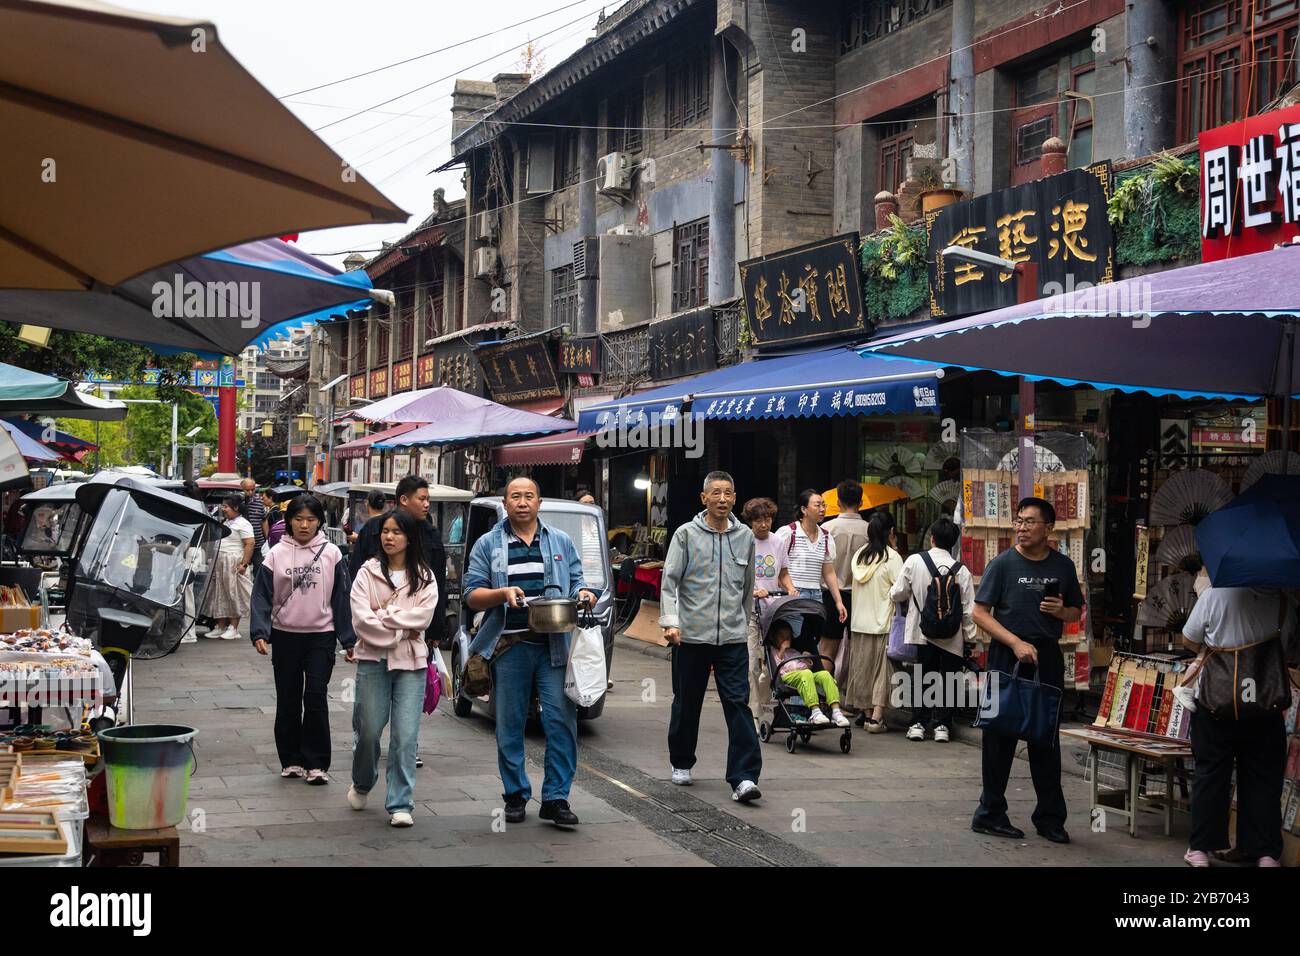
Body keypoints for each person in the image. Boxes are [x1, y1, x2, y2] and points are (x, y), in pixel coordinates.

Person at [464, 477, 596, 826]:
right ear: (505, 503)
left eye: (529, 496)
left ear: (539, 502)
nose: (522, 502)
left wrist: (584, 594)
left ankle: (556, 798)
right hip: (510, 646)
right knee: (509, 724)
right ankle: (516, 795)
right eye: (515, 497)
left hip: (554, 646)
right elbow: (471, 593)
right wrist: (501, 593)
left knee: (560, 722)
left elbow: (578, 580)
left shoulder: (562, 542)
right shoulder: (488, 544)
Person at [970, 497, 1083, 844]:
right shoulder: (1003, 564)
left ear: (1048, 528)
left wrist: (1062, 612)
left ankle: (1050, 818)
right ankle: (990, 814)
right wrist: (1015, 642)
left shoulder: (1063, 567)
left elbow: (1077, 611)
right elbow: (979, 612)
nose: (1021, 527)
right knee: (999, 738)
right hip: (1007, 657)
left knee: (1045, 738)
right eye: (1018, 521)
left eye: (1029, 522)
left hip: (1046, 657)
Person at [661, 471, 763, 804]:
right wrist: (671, 622)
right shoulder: (685, 535)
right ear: (703, 498)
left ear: (734, 498)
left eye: (728, 493)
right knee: (687, 703)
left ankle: (744, 776)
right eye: (715, 493)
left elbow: (747, 586)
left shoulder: (745, 535)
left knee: (738, 705)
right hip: (691, 638)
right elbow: (670, 582)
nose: (722, 499)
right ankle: (682, 761)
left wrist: (743, 621)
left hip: (732, 639)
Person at [1180, 584, 1295, 868]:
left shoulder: (1214, 595)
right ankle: (1265, 853)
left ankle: (1200, 850)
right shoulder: (1284, 600)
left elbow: (1188, 640)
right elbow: (1288, 649)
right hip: (1264, 703)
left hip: (1216, 701)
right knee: (1263, 777)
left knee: (1210, 773)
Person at [250, 495, 355, 785]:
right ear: (289, 522)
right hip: (285, 636)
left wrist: (348, 639)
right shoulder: (275, 554)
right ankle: (291, 759)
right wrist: (260, 632)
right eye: (298, 519)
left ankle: (317, 763)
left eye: (310, 519)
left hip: (321, 636)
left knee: (316, 696)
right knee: (288, 698)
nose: (305, 525)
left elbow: (341, 597)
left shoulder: (332, 553)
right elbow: (261, 596)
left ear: (320, 521)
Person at [347, 507, 439, 826]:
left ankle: (401, 802)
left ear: (410, 537)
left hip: (412, 663)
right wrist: (401, 628)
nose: (389, 537)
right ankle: (362, 781)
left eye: (397, 532)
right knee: (369, 729)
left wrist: (385, 616)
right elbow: (362, 620)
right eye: (385, 531)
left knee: (406, 734)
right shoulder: (366, 572)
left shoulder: (425, 577)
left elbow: (424, 618)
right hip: (373, 659)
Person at [890, 517, 975, 743]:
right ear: (953, 542)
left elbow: (897, 593)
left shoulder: (915, 561)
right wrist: (971, 639)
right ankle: (943, 726)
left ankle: (918, 723)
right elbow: (968, 610)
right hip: (952, 635)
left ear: (932, 538)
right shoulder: (962, 571)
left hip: (922, 632)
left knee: (923, 677)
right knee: (950, 679)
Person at [351, 477, 447, 646]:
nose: (427, 505)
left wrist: (435, 629)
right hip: (373, 639)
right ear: (403, 500)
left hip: (415, 638)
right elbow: (355, 579)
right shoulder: (374, 528)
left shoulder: (430, 534)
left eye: (428, 500)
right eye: (422, 499)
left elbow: (438, 583)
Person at [774, 490, 847, 676]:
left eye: (823, 505)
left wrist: (838, 601)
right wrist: (789, 589)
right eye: (818, 505)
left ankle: (804, 697)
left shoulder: (826, 536)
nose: (823, 509)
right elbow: (778, 568)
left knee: (810, 644)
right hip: (794, 595)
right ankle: (796, 695)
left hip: (816, 596)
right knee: (795, 643)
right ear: (804, 509)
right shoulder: (787, 533)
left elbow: (829, 572)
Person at [848, 512, 903, 732]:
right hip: (882, 622)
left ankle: (867, 712)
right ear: (890, 531)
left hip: (859, 622)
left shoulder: (859, 556)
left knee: (863, 669)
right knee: (882, 671)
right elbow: (901, 590)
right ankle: (876, 717)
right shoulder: (892, 557)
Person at [741, 497, 794, 716]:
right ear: (750, 522)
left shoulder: (778, 542)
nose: (764, 525)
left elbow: (782, 573)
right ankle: (753, 713)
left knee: (772, 665)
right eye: (758, 520)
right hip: (750, 611)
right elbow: (736, 576)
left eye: (768, 519)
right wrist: (752, 591)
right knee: (753, 664)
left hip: (773, 611)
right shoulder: (743, 541)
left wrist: (791, 588)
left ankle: (761, 703)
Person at [769, 622, 850, 726]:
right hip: (787, 676)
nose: (786, 640)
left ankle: (836, 711)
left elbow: (807, 665)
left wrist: (806, 659)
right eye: (782, 637)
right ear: (773, 638)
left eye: (788, 637)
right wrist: (782, 651)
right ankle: (815, 711)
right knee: (806, 673)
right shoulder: (774, 651)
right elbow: (777, 666)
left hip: (804, 674)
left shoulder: (793, 651)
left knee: (824, 674)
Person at [203, 494, 254, 640]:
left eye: (226, 506)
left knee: (233, 594)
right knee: (220, 593)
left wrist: (244, 563)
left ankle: (234, 628)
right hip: (221, 561)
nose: (223, 509)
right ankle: (221, 626)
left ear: (236, 508)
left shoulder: (243, 523)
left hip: (234, 561)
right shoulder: (227, 522)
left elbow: (249, 544)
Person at [241, 477, 266, 573]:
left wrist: (266, 537)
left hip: (258, 543)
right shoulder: (238, 502)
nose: (250, 492)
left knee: (259, 569)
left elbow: (263, 520)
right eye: (247, 490)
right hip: (243, 545)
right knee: (242, 570)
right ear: (242, 489)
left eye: (252, 489)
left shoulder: (259, 502)